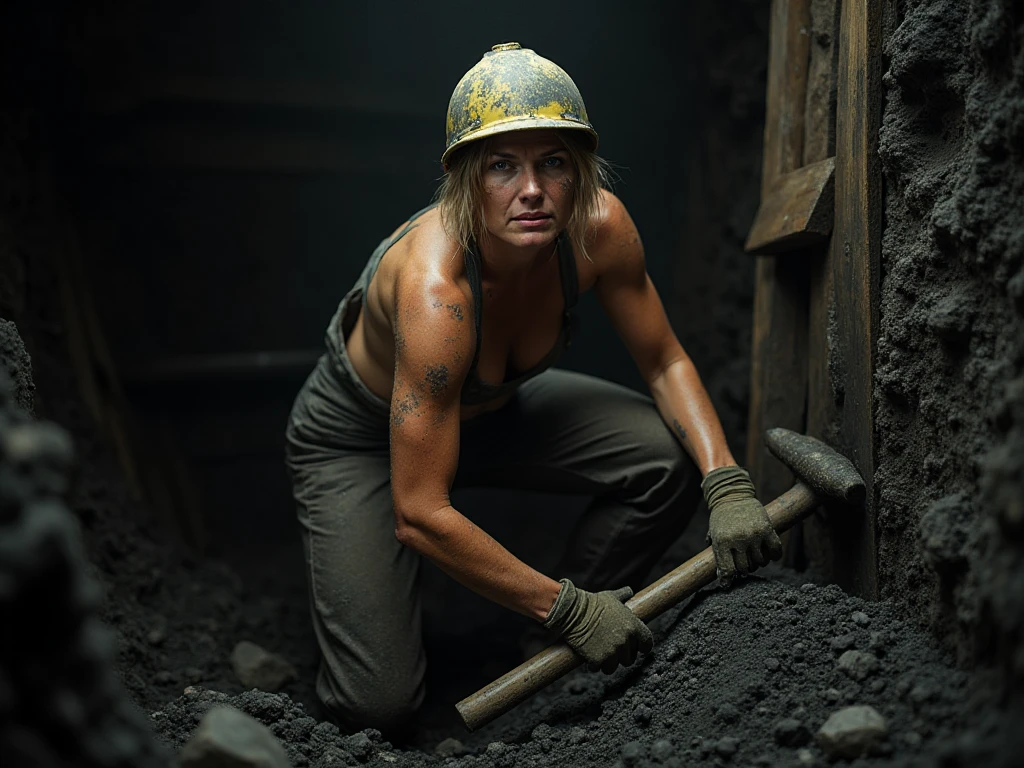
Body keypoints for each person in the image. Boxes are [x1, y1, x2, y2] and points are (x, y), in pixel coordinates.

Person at [284, 42, 783, 735]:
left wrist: (725, 483)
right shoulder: (437, 294)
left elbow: (666, 361)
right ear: (464, 180)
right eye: (501, 166)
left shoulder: (599, 229)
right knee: (377, 704)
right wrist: (571, 609)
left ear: (579, 171)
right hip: (362, 441)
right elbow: (421, 510)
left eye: (553, 163)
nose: (532, 190)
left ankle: (543, 643)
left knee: (663, 460)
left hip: (490, 412)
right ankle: (561, 615)